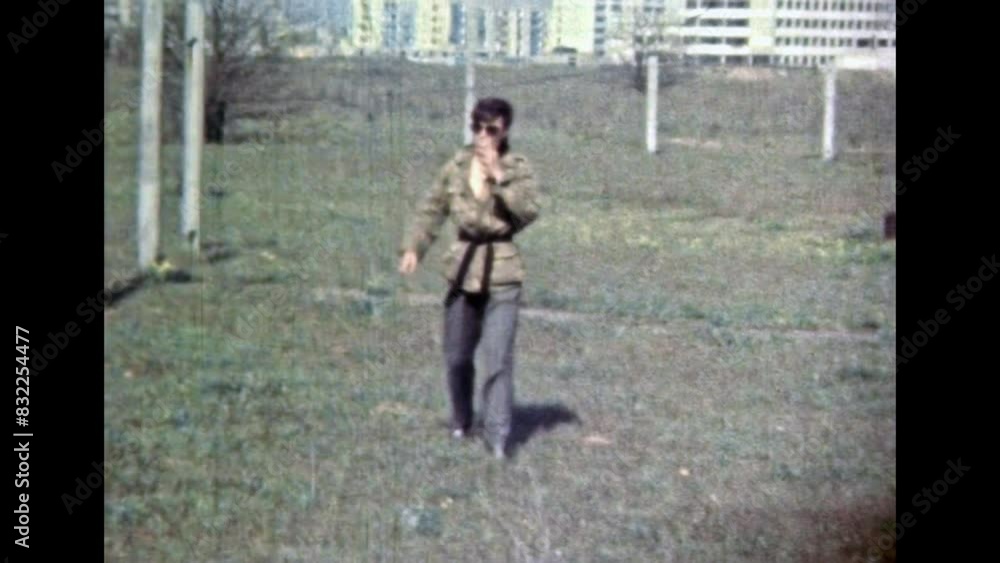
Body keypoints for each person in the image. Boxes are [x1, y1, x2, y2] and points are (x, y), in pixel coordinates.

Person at [398, 98, 541, 459]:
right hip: (462, 269)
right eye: (476, 127)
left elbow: (528, 211)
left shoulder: (517, 168)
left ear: (504, 131)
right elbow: (432, 208)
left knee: (497, 359)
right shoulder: (457, 165)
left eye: (491, 129)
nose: (482, 135)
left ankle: (497, 439)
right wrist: (414, 247)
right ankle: (462, 421)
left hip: (502, 273)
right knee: (457, 356)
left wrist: (500, 177)